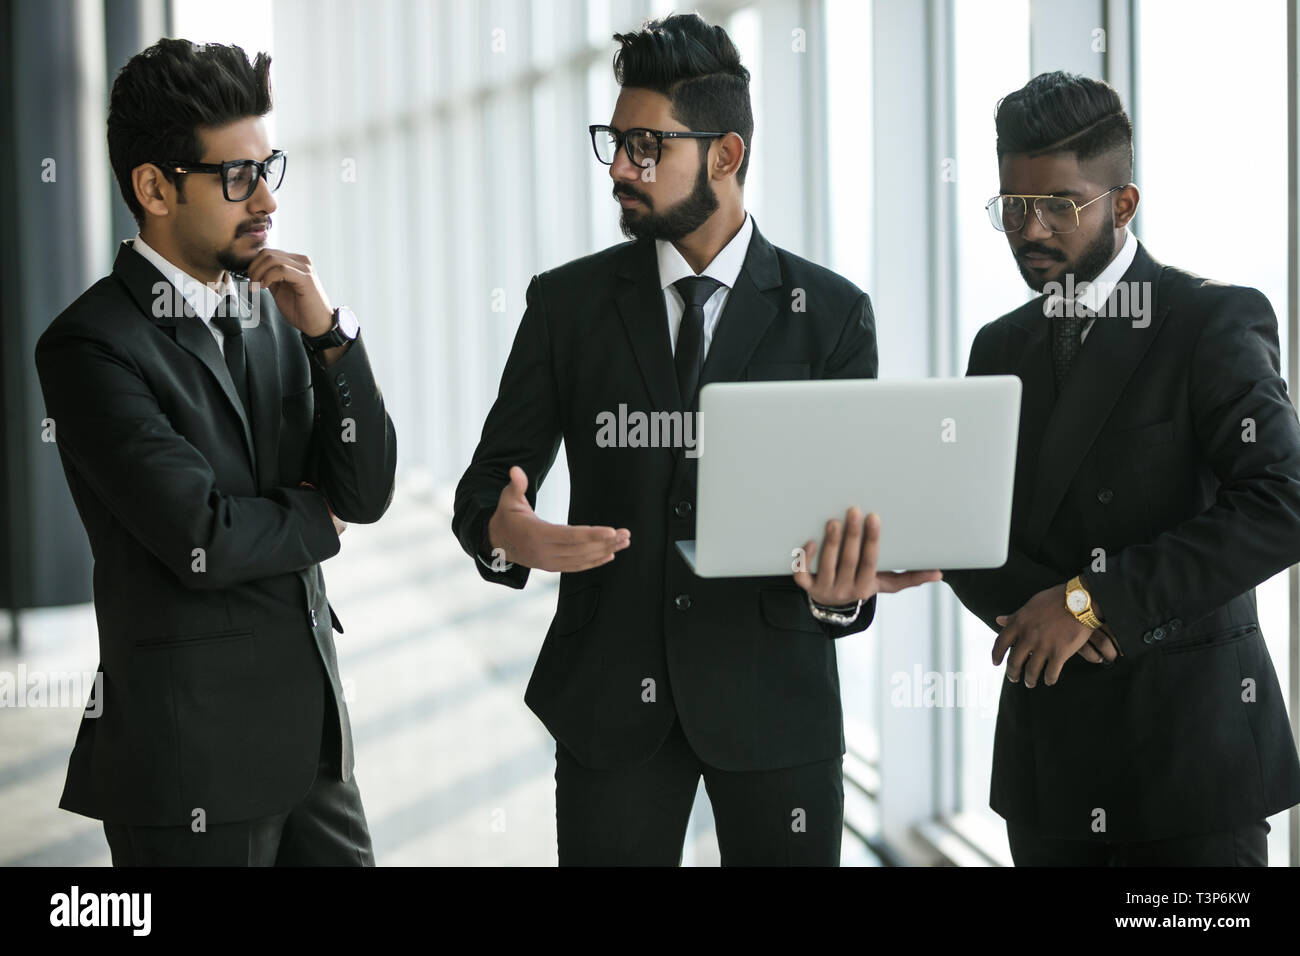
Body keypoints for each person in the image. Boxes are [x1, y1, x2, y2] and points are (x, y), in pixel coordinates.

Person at [452, 13, 939, 866]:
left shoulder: (829, 316)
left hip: (775, 704)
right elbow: (485, 488)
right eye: (615, 142)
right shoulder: (567, 306)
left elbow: (845, 527)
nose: (622, 170)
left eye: (648, 147)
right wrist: (507, 534)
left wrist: (838, 592)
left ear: (727, 155)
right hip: (609, 701)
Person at [34, 39, 397, 865]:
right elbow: (203, 538)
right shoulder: (91, 346)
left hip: (315, 752)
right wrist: (321, 515)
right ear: (154, 187)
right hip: (189, 763)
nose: (265, 197)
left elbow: (367, 487)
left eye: (268, 166)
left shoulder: (276, 309)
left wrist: (329, 336)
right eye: (237, 176)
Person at [943, 71, 1300, 865]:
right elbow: (967, 530)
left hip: (1190, 758)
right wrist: (1042, 614)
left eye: (1059, 206)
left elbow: (1284, 500)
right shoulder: (998, 347)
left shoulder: (1209, 318)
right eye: (1012, 206)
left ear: (1124, 204)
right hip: (1050, 755)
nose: (1028, 229)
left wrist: (1093, 602)